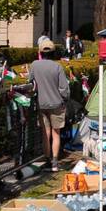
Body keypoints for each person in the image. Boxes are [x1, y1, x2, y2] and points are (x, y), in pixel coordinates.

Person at [29, 36, 70, 171]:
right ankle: (54, 162)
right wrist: (64, 99)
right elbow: (64, 88)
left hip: (42, 104)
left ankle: (47, 160)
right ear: (53, 53)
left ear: (40, 53)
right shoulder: (57, 67)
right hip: (57, 104)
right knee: (56, 133)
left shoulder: (34, 65)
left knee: (45, 133)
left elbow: (31, 83)